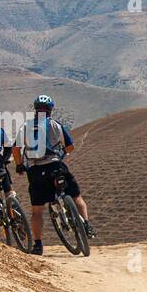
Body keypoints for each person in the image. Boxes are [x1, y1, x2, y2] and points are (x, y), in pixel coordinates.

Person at [13, 95, 94, 256]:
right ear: (50, 110)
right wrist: (62, 153)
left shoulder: (25, 127)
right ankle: (86, 225)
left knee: (37, 210)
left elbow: (16, 150)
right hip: (56, 166)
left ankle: (37, 244)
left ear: (35, 110)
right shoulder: (55, 125)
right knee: (76, 196)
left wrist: (19, 164)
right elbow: (70, 147)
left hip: (35, 171)